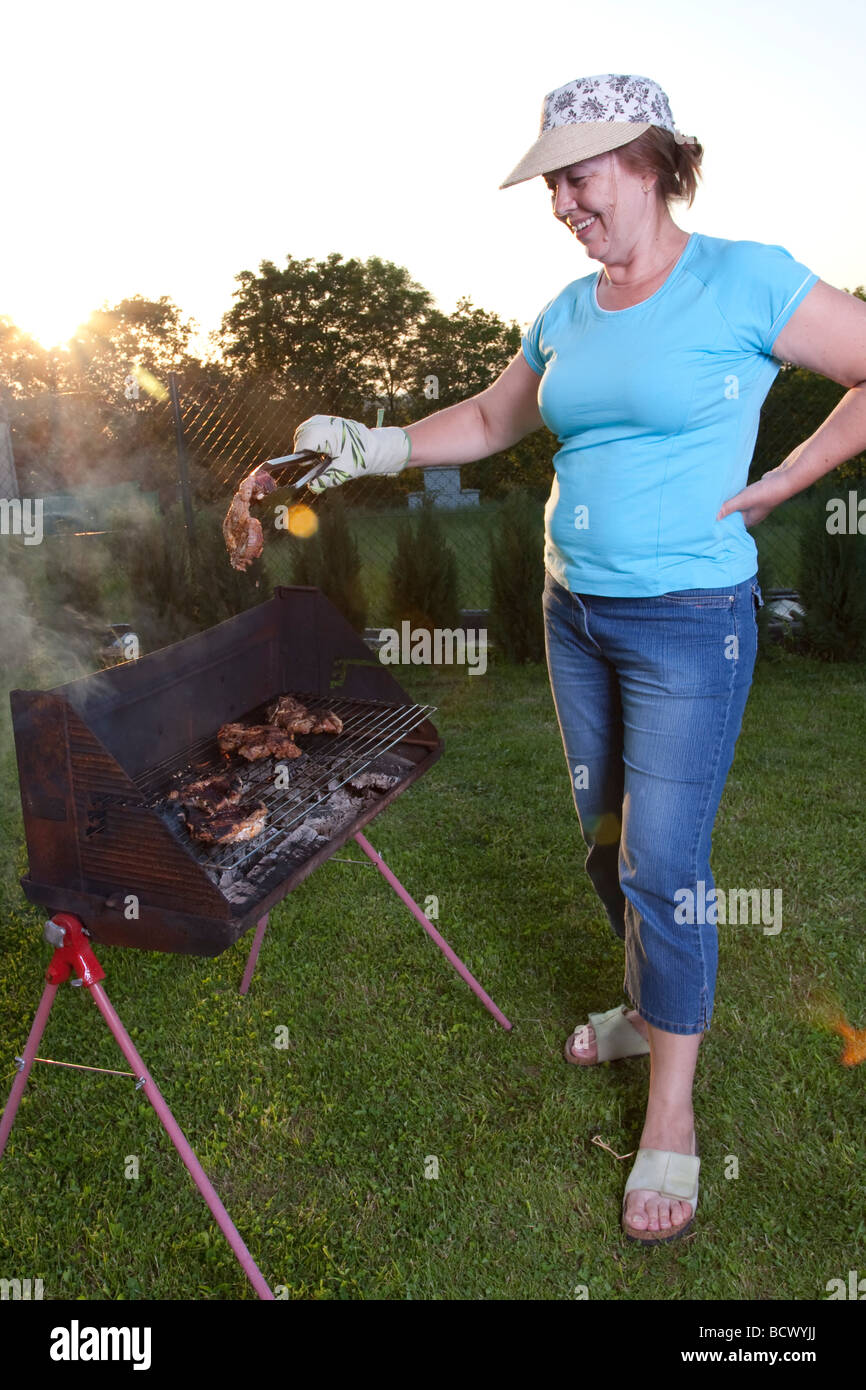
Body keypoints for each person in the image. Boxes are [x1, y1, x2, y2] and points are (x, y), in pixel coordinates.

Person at [292, 73, 866, 1244]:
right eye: (552, 181)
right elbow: (499, 420)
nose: (560, 200)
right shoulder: (564, 305)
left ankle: (669, 1112)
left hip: (685, 620)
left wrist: (784, 481)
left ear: (649, 161)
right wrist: (373, 442)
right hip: (575, 612)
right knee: (605, 840)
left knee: (663, 860)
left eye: (576, 173)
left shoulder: (744, 277)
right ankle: (638, 1004)